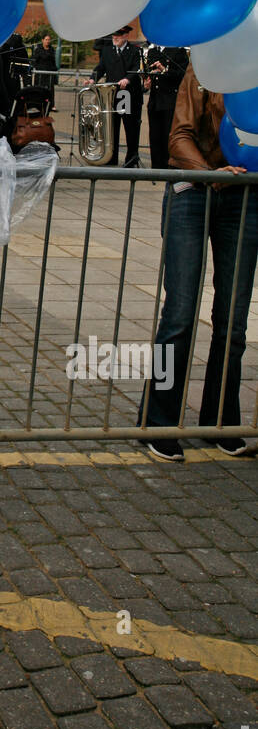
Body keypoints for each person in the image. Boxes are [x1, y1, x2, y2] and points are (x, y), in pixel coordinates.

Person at [137, 63, 258, 461]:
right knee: (180, 314)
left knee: (233, 321)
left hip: (245, 197)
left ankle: (219, 422)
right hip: (193, 189)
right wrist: (212, 174)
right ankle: (157, 423)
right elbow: (179, 137)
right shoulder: (206, 63)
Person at [85, 24, 143, 167]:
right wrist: (93, 79)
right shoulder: (107, 51)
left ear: (125, 35)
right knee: (112, 127)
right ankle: (111, 157)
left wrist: (127, 79)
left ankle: (131, 158)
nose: (115, 38)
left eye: (118, 35)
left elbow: (136, 68)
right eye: (113, 35)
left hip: (127, 94)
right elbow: (100, 68)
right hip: (111, 94)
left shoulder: (134, 51)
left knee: (130, 127)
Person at [143, 44, 188, 170]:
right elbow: (147, 73)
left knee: (167, 134)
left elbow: (182, 74)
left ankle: (169, 166)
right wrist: (146, 84)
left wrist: (164, 70)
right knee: (155, 135)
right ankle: (157, 166)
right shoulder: (152, 52)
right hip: (155, 100)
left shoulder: (178, 51)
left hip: (169, 100)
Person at [32, 34, 58, 113]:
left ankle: (51, 105)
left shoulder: (51, 49)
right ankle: (38, 105)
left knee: (50, 89)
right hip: (40, 73)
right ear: (42, 40)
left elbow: (53, 61)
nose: (48, 41)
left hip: (49, 72)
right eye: (46, 39)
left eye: (49, 40)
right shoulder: (38, 49)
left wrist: (54, 69)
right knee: (39, 89)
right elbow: (34, 60)